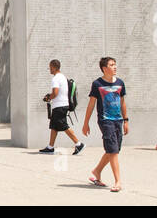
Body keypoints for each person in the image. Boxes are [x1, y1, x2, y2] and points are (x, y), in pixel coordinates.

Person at [80, 56, 128, 192]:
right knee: (113, 150)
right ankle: (118, 181)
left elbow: (123, 102)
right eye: (112, 65)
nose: (115, 67)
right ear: (104, 68)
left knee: (114, 149)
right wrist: (86, 123)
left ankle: (97, 171)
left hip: (118, 120)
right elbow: (91, 104)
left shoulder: (120, 83)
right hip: (105, 121)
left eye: (115, 64)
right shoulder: (97, 84)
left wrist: (126, 120)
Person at [39, 59, 84, 155]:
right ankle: (50, 147)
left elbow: (55, 93)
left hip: (60, 106)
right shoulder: (62, 77)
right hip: (62, 105)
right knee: (54, 126)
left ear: (54, 67)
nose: (49, 69)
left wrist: (48, 98)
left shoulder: (55, 78)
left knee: (63, 126)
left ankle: (78, 144)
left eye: (50, 67)